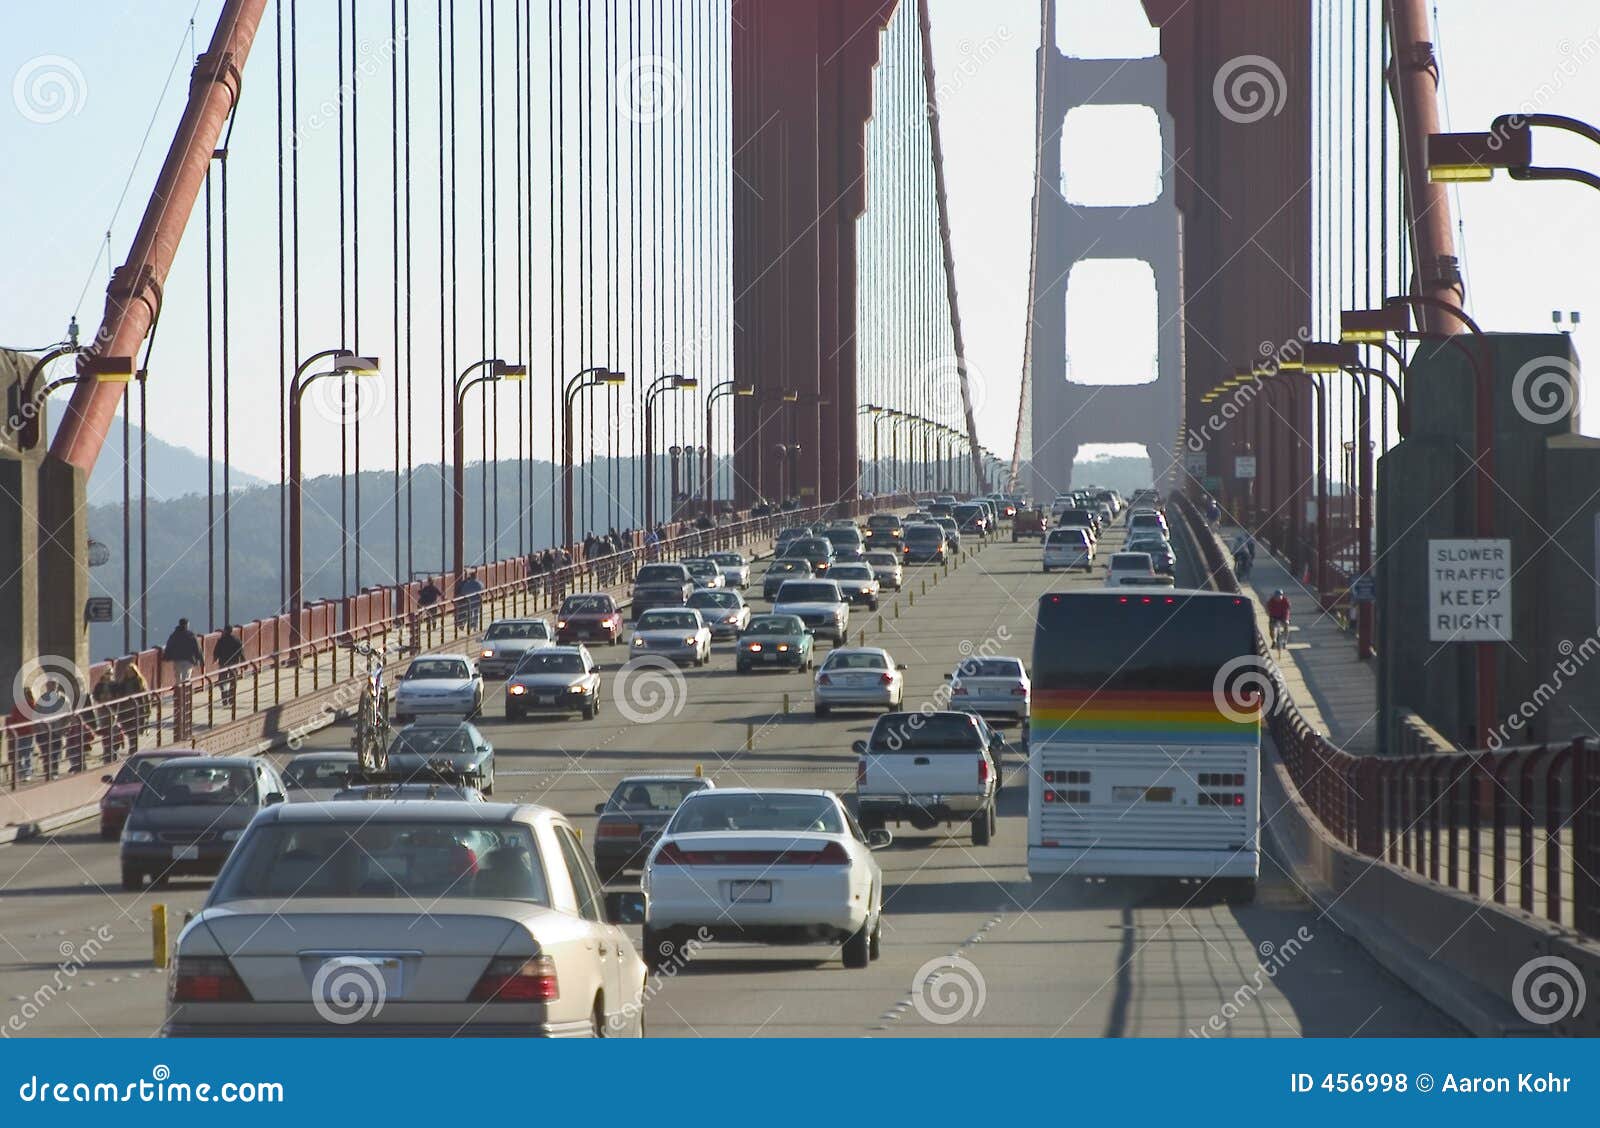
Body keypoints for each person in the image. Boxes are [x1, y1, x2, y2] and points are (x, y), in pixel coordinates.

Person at [113, 660, 150, 752]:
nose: (129, 673)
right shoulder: (123, 683)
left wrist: (147, 711)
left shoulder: (139, 682)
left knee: (134, 730)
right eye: (127, 671)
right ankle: (127, 746)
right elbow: (118, 695)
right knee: (127, 729)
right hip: (125, 710)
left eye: (131, 671)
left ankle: (133, 748)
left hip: (136, 710)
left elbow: (145, 698)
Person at [5, 688, 37, 783]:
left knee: (27, 754)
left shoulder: (32, 706)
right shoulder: (17, 707)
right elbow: (12, 719)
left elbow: (34, 718)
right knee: (18, 755)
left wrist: (33, 729)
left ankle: (27, 773)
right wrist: (10, 732)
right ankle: (21, 773)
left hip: (28, 734)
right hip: (18, 735)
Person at [163, 618, 203, 682]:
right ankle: (185, 691)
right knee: (186, 679)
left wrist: (166, 657)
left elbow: (169, 646)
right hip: (188, 660)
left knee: (178, 678)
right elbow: (197, 648)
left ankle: (179, 691)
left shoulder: (174, 635)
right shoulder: (191, 635)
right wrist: (201, 660)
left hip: (177, 659)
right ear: (187, 625)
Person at [214, 625, 245, 706]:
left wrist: (215, 659)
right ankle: (231, 698)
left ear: (225, 631)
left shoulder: (221, 640)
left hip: (223, 663)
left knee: (222, 681)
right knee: (233, 681)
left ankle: (224, 697)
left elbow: (216, 651)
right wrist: (244, 662)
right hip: (233, 663)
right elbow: (241, 653)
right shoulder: (237, 640)